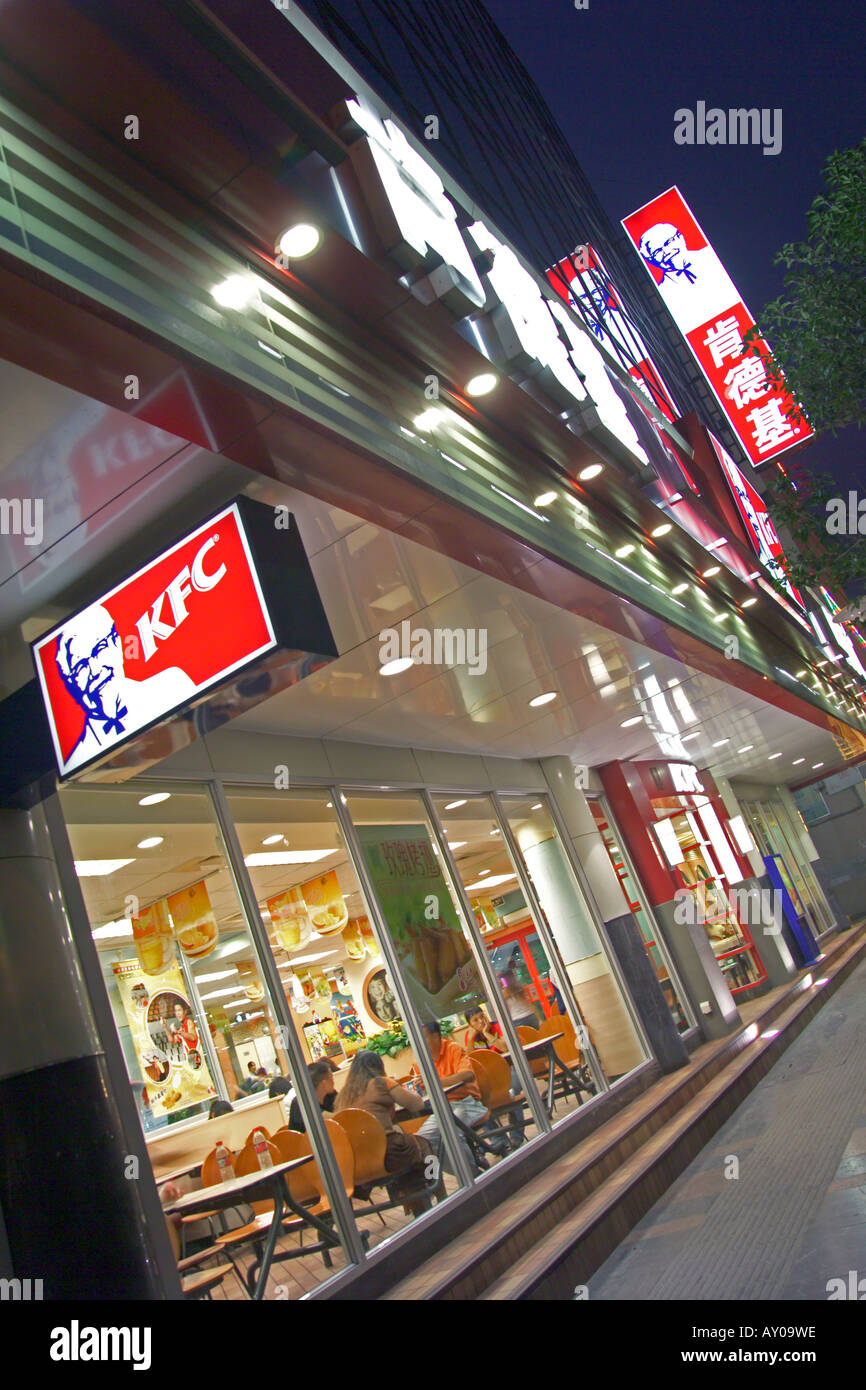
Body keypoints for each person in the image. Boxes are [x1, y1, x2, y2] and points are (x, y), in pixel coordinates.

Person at [53, 602, 195, 773]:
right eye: (81, 665)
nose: (95, 670)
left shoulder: (171, 686)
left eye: (99, 648)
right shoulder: (78, 759)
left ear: (117, 645)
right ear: (71, 682)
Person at [334, 1050, 433, 1215]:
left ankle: (411, 1200)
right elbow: (416, 1105)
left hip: (357, 1164)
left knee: (406, 1150)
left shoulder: (344, 1094)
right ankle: (437, 1196)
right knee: (422, 1146)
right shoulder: (380, 1083)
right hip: (388, 1155)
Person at [417, 1021, 508, 1173]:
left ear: (436, 1036)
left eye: (424, 1037)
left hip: (467, 1103)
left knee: (451, 1131)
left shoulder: (453, 1049)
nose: (420, 1043)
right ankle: (467, 1173)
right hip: (444, 1107)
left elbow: (468, 1075)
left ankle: (472, 1176)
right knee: (423, 1141)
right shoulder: (425, 1060)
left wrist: (436, 1082)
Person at [273, 1062, 337, 1132]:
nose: (333, 1082)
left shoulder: (330, 1095)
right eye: (331, 1078)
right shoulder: (300, 1103)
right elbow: (328, 1118)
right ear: (324, 1083)